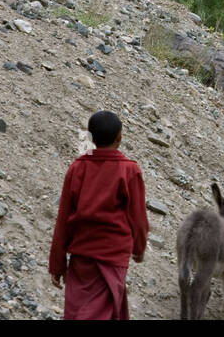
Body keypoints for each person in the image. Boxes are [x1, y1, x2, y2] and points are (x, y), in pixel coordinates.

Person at [49, 110, 149, 319]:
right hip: (113, 256)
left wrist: (57, 263)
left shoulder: (77, 168)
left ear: (91, 138)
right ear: (120, 137)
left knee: (79, 310)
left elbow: (63, 219)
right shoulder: (129, 171)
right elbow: (138, 218)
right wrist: (139, 248)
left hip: (81, 256)